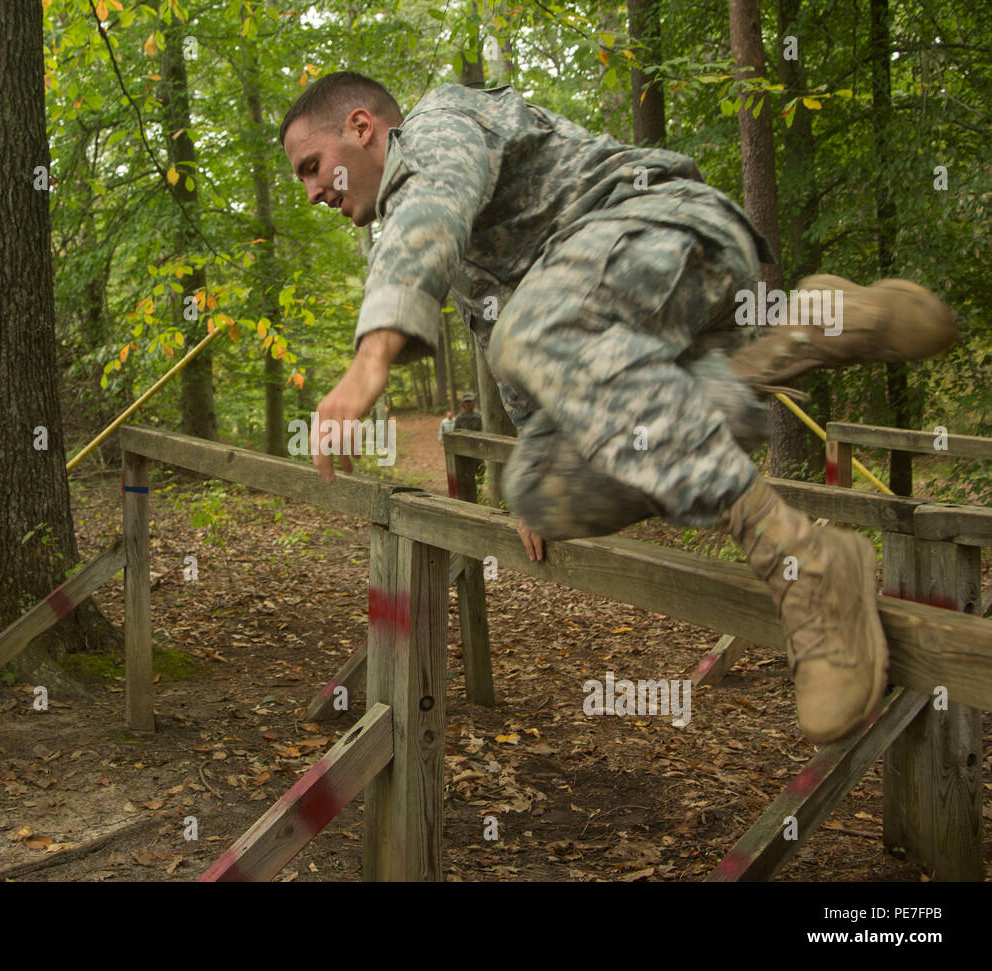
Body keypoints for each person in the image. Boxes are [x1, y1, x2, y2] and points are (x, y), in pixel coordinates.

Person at [280, 71, 958, 743]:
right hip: (640, 327)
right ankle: (785, 345)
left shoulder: (438, 126)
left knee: (534, 329)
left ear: (363, 128)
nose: (312, 192)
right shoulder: (451, 239)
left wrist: (371, 359)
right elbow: (506, 340)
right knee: (542, 491)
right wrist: (545, 445)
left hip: (675, 235)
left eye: (313, 166)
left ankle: (803, 562)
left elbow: (436, 208)